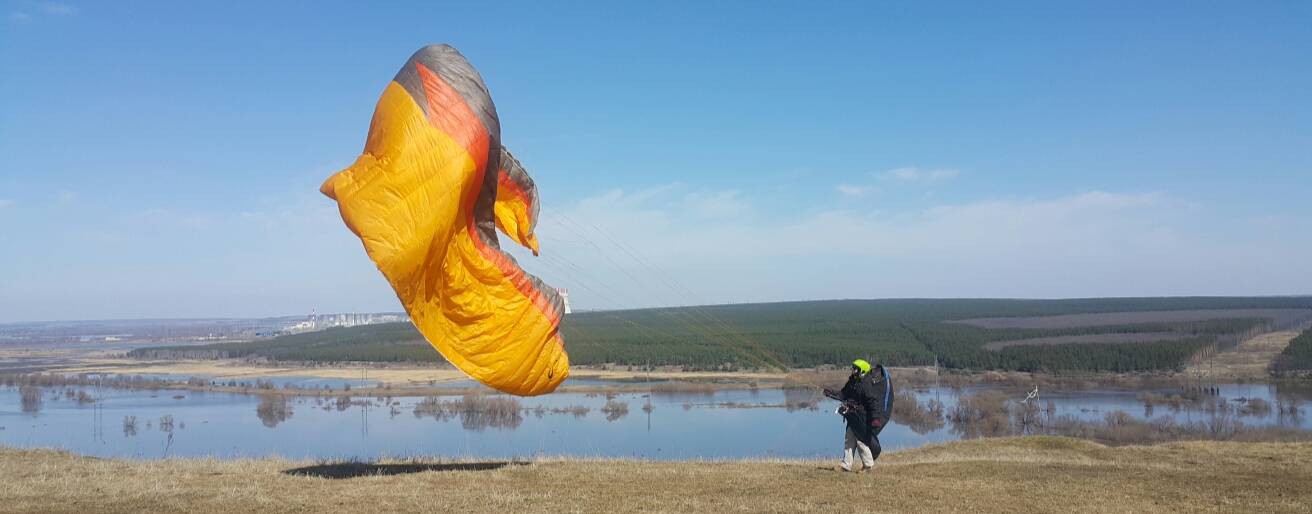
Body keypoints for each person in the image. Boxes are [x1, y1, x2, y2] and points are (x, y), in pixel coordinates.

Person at [824, 359, 894, 472]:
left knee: (861, 441)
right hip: (853, 415)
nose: (853, 370)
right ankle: (846, 465)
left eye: (855, 368)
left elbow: (874, 403)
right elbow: (843, 394)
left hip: (863, 417)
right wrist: (830, 393)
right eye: (853, 368)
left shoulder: (866, 384)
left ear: (862, 370)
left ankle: (868, 466)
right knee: (849, 438)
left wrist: (876, 419)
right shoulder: (852, 381)